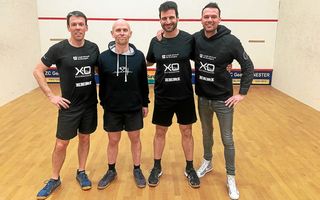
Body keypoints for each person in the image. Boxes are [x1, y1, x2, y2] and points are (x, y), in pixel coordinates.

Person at [33, 11, 99, 199]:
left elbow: (101, 70)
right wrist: (51, 96)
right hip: (68, 107)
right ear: (68, 27)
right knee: (61, 144)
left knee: (85, 139)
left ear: (86, 26)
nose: (78, 27)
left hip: (89, 105)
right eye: (74, 24)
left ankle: (81, 171)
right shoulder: (58, 49)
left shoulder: (93, 48)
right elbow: (38, 70)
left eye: (81, 24)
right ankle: (54, 179)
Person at [194, 3, 254, 200]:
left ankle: (231, 176)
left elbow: (248, 66)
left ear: (219, 19)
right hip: (203, 98)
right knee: (206, 132)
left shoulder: (231, 41)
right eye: (206, 16)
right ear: (201, 19)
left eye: (213, 16)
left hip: (224, 101)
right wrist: (161, 35)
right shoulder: (195, 39)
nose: (209, 20)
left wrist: (241, 93)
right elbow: (178, 44)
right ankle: (207, 161)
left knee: (227, 139)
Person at [146, 1, 200, 188]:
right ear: (160, 19)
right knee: (160, 132)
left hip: (184, 96)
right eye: (164, 18)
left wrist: (226, 63)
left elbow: (205, 55)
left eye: (171, 17)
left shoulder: (188, 40)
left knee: (187, 131)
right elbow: (148, 62)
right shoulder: (156, 41)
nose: (167, 21)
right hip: (163, 96)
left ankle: (190, 168)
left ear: (177, 18)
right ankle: (156, 167)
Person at [97, 19, 150, 189]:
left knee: (135, 138)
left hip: (134, 107)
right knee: (113, 140)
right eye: (118, 30)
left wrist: (145, 103)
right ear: (112, 33)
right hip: (112, 109)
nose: (121, 33)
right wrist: (104, 102)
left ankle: (137, 169)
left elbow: (143, 82)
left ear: (130, 33)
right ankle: (111, 170)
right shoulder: (103, 57)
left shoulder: (139, 56)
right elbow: (102, 82)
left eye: (125, 30)